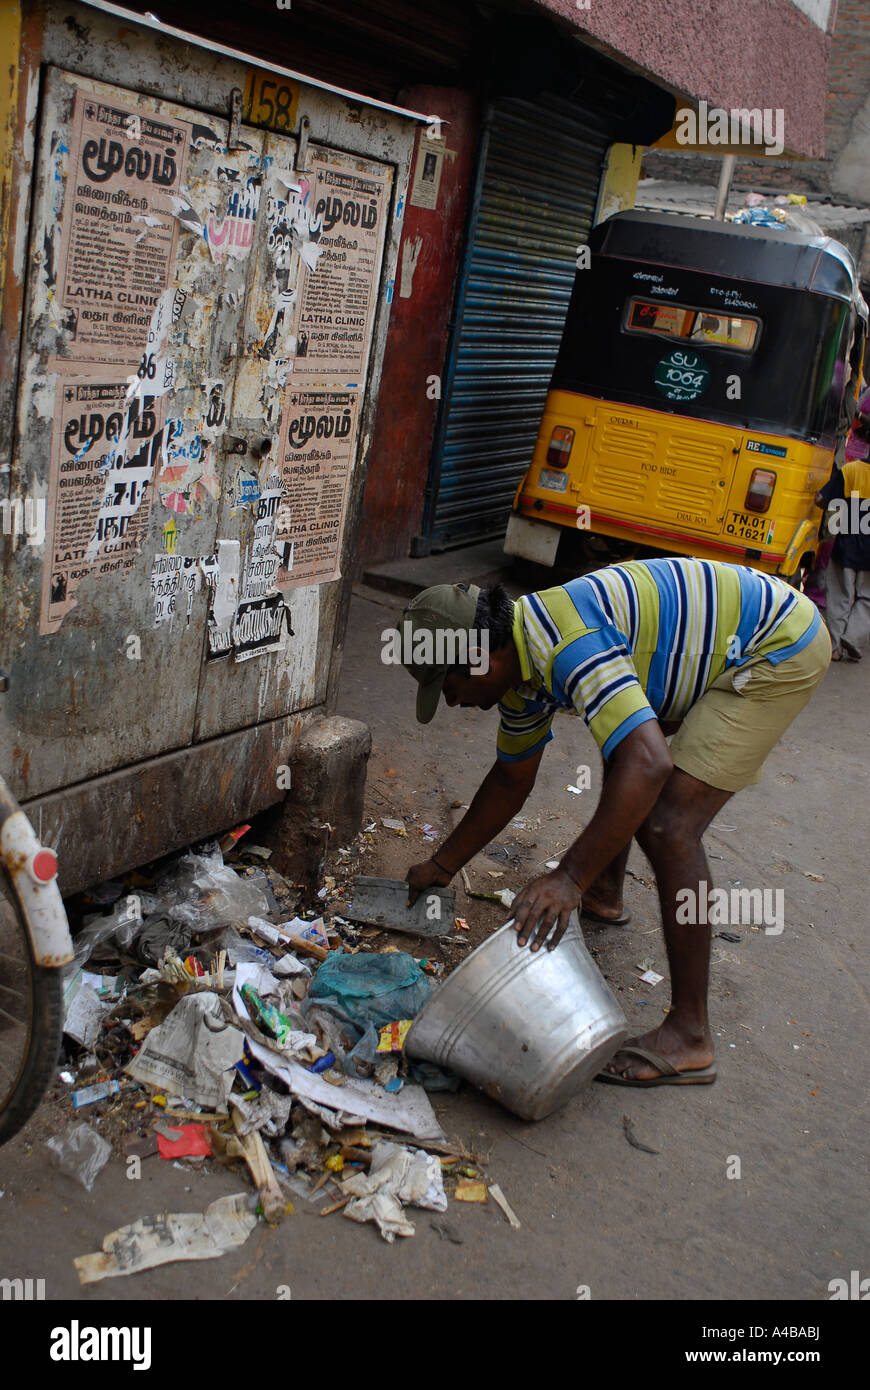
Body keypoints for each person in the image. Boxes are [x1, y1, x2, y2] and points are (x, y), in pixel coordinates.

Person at [400, 558, 830, 1087]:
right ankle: (607, 891)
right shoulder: (519, 674)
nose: (451, 700)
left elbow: (651, 763)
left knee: (668, 823)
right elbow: (511, 780)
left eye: (447, 684)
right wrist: (442, 865)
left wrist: (567, 878)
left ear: (480, 656)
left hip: (775, 643)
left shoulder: (565, 642)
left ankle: (690, 1034)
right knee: (623, 745)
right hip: (703, 644)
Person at [815, 434, 870, 658]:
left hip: (846, 545)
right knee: (868, 598)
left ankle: (834, 646)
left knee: (839, 596)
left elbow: (821, 498)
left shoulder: (851, 470)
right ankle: (854, 636)